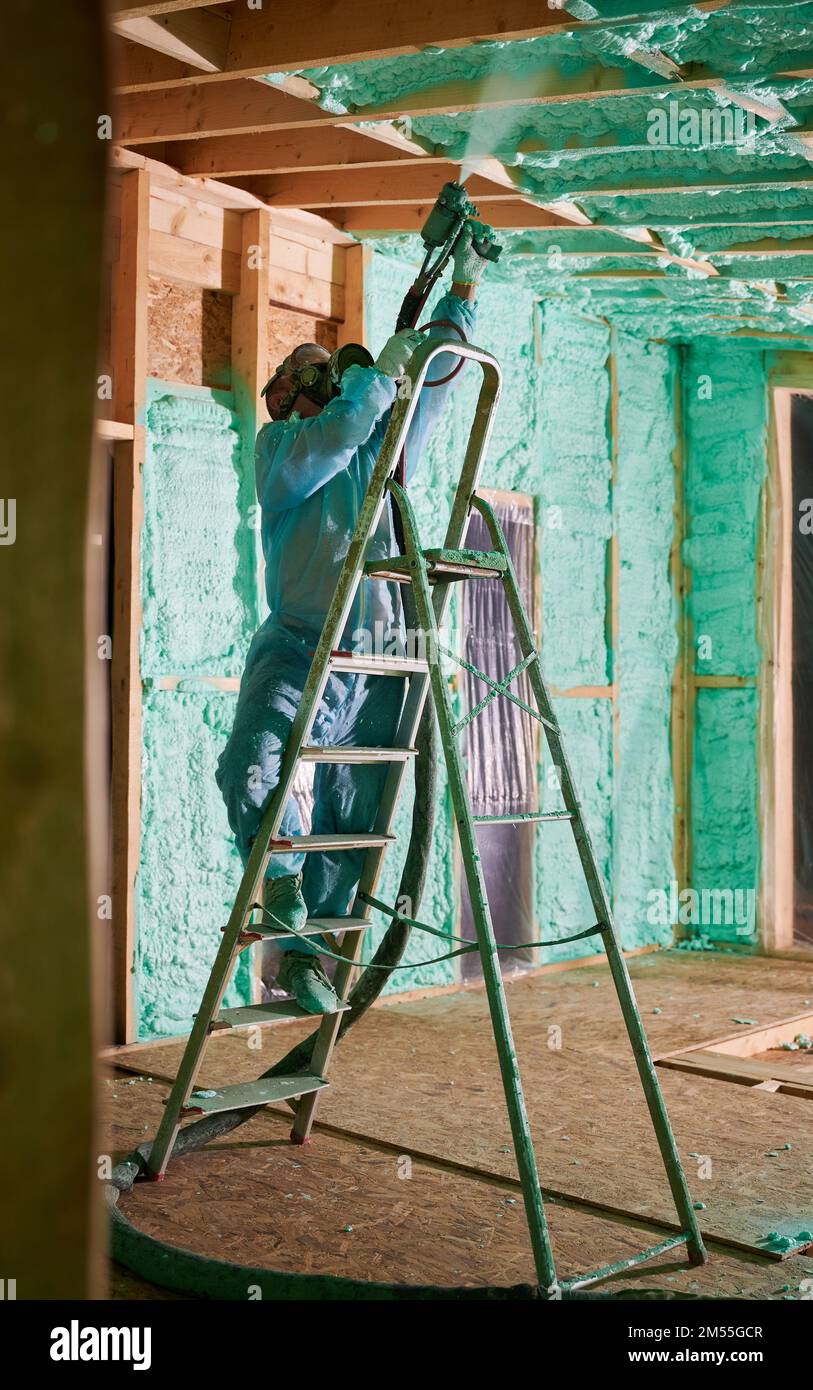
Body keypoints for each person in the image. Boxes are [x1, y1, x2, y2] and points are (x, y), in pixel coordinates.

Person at [216, 223, 494, 1013]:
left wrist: (462, 293)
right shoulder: (281, 449)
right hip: (299, 647)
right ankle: (278, 891)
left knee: (349, 812)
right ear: (289, 393)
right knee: (252, 765)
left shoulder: (377, 454)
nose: (328, 378)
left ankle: (311, 964)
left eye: (330, 370)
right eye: (311, 372)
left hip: (371, 658)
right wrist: (374, 384)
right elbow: (335, 433)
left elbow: (431, 383)